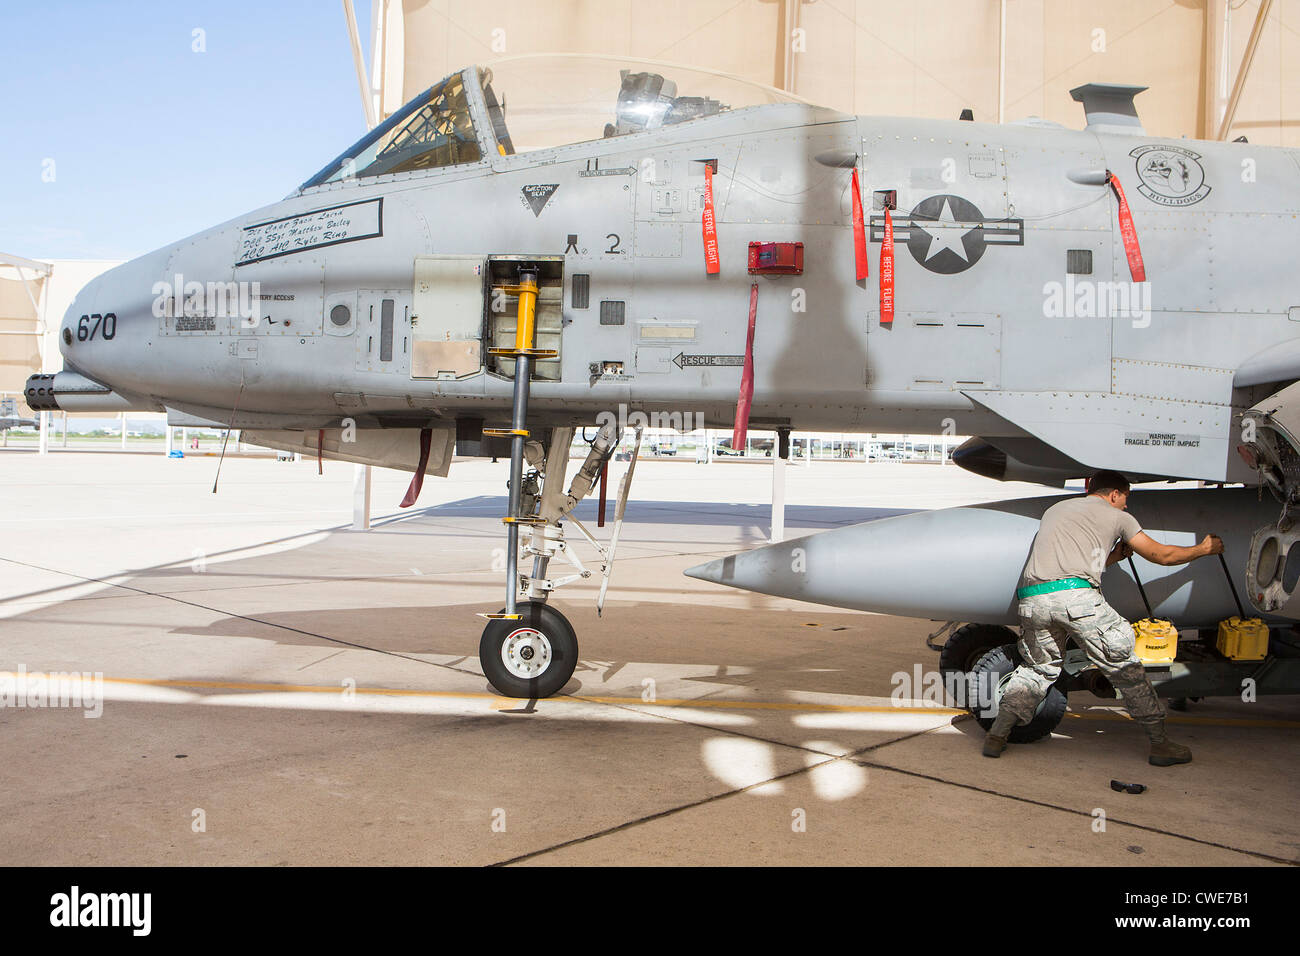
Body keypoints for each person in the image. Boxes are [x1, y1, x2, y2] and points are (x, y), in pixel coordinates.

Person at [983, 470, 1223, 766]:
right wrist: (1203, 549)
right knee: (1125, 667)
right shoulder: (1119, 517)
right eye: (1125, 499)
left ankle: (997, 735)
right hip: (1078, 601)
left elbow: (1071, 563)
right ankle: (1160, 745)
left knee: (1039, 669)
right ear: (1114, 494)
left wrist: (1113, 557)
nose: (1125, 506)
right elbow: (1161, 555)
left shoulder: (1056, 510)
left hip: (1033, 601)